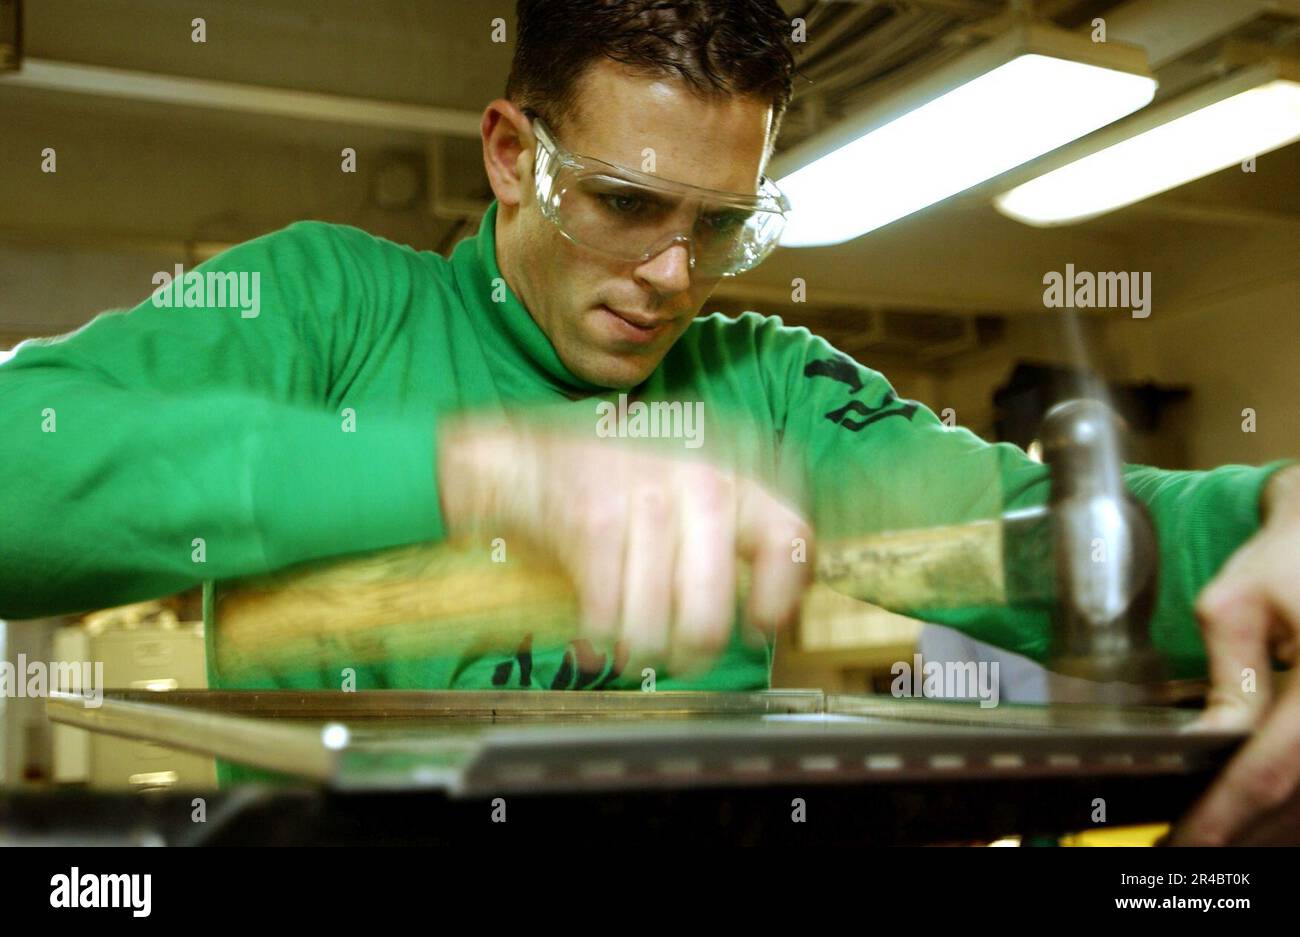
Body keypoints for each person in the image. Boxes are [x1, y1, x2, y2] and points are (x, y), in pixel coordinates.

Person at [1, 0, 1296, 845]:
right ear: (514, 156)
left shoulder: (767, 388)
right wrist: (481, 471)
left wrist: (1273, 518)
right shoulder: (326, 308)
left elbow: (1041, 541)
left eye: (721, 224)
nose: (676, 275)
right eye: (626, 205)